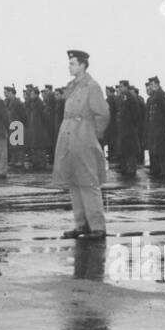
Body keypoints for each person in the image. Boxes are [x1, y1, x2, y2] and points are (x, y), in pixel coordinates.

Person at [52, 50, 110, 238]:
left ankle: (97, 227)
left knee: (88, 182)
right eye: (69, 63)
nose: (69, 66)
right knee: (74, 182)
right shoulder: (73, 87)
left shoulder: (92, 86)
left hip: (83, 137)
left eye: (73, 63)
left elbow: (102, 113)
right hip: (69, 138)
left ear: (83, 65)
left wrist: (92, 135)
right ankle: (81, 224)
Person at [144, 77, 165, 178]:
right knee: (155, 150)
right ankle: (156, 169)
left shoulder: (162, 95)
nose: (151, 87)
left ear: (157, 84)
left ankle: (164, 171)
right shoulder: (153, 97)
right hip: (154, 129)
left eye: (152, 84)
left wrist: (163, 123)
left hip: (161, 129)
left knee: (163, 151)